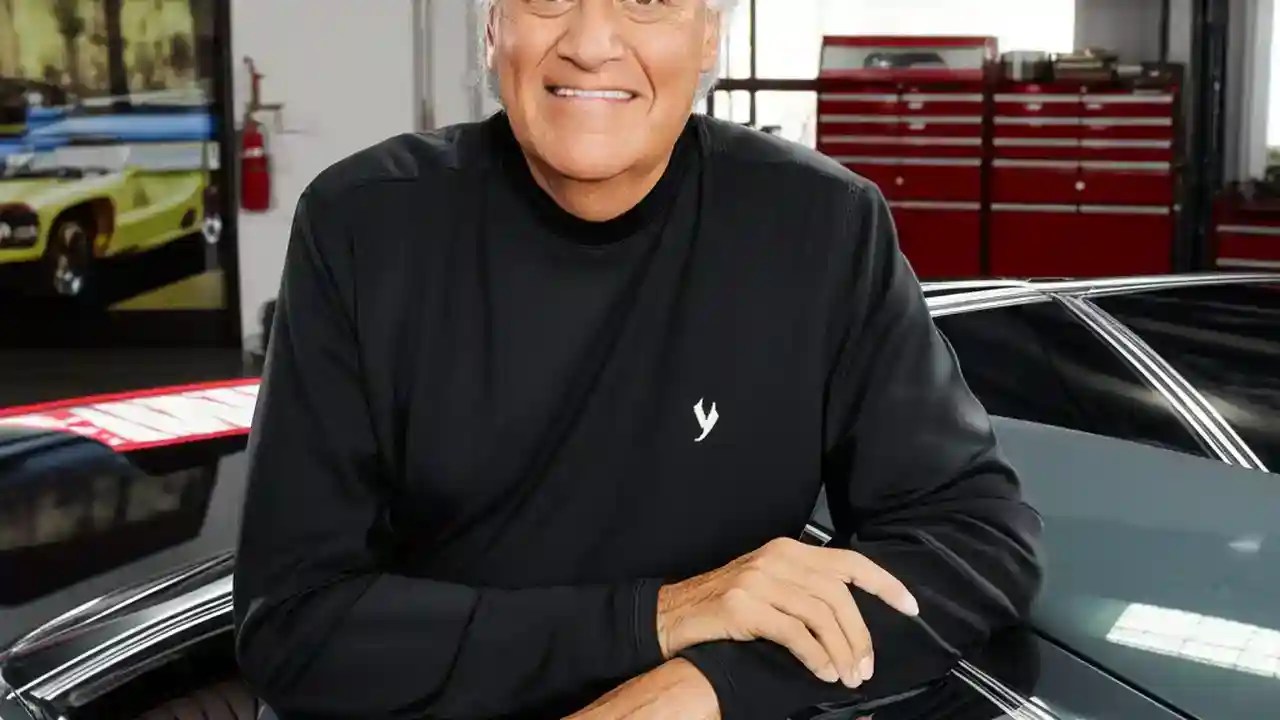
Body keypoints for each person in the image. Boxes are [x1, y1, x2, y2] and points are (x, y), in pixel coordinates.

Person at [232, 0, 1044, 718]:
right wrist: (656, 618)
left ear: (708, 40)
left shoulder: (821, 228)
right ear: (492, 30)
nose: (592, 41)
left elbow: (973, 540)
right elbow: (295, 625)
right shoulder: (364, 227)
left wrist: (714, 685)